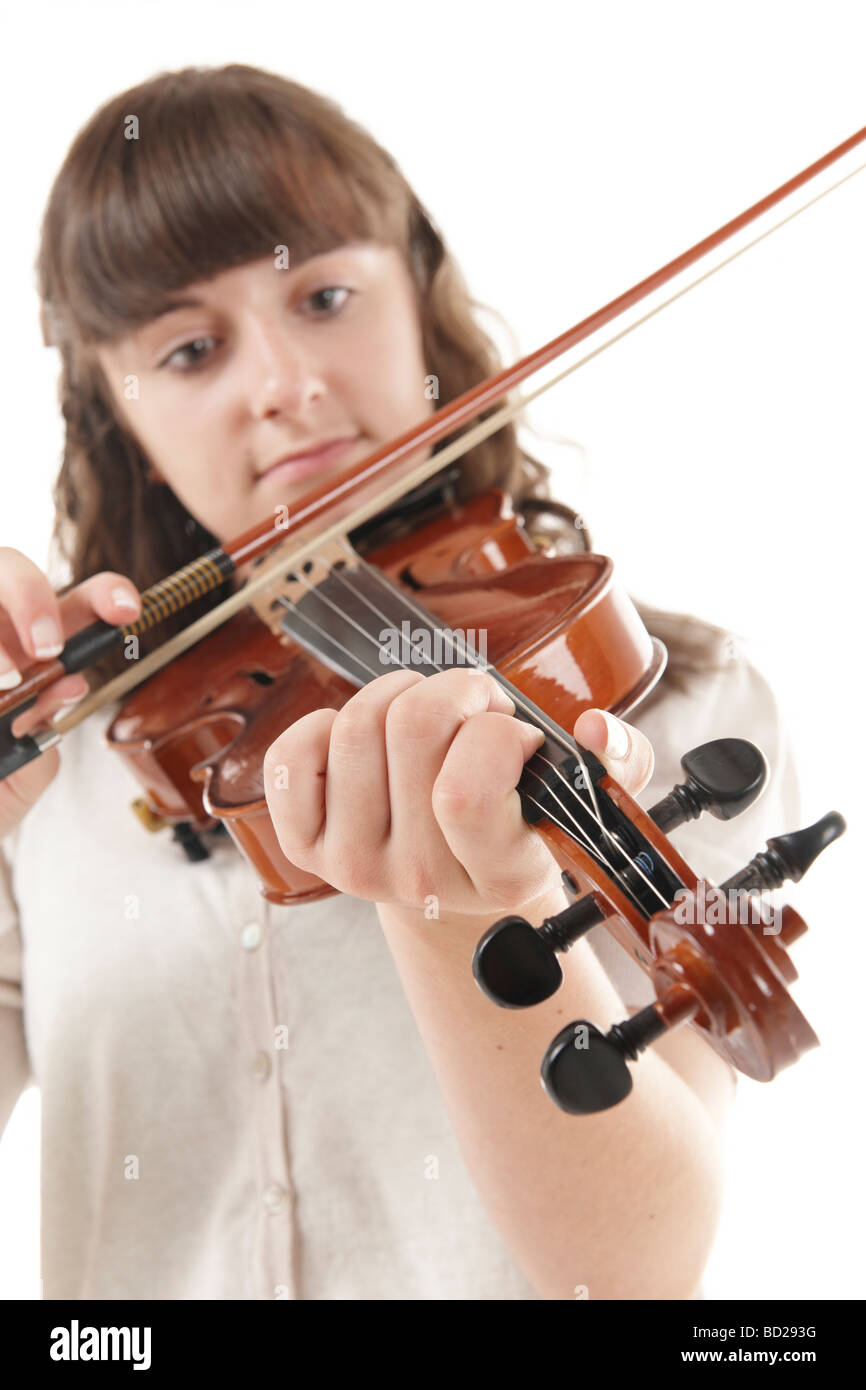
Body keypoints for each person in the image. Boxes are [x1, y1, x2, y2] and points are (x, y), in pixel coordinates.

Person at [0, 64, 799, 1301]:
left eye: (322, 294)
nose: (283, 383)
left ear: (417, 296)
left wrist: (467, 909)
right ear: (118, 406)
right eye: (192, 347)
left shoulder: (661, 695)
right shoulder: (70, 753)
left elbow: (633, 1277)